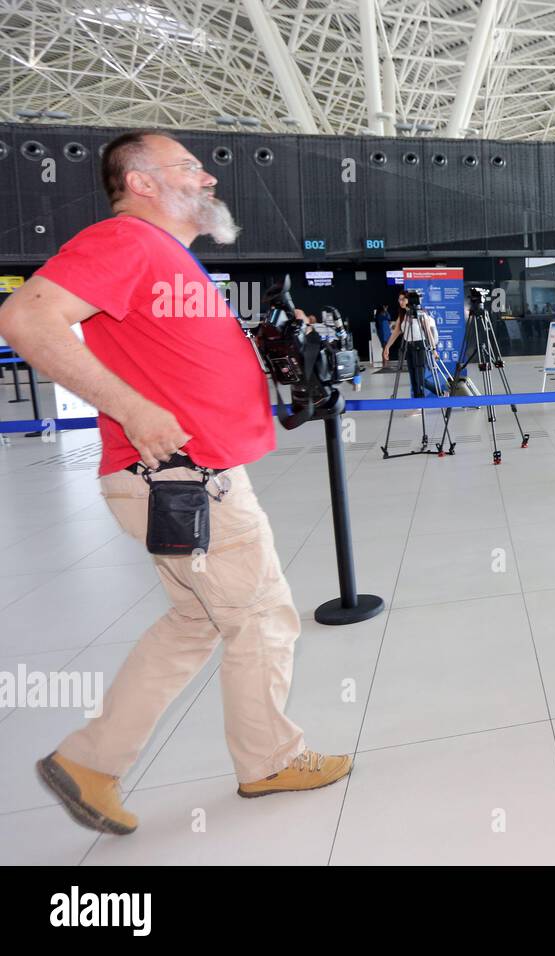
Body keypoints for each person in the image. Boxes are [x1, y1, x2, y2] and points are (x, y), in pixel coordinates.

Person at [0, 130, 351, 836]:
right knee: (261, 614)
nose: (209, 179)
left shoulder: (167, 259)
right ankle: (270, 761)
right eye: (190, 168)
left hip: (186, 476)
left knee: (195, 622)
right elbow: (25, 317)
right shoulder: (125, 241)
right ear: (143, 184)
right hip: (184, 477)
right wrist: (132, 407)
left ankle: (89, 763)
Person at [384, 291, 429, 415]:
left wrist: (433, 349)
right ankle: (418, 404)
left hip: (420, 345)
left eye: (403, 299)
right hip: (408, 347)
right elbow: (396, 332)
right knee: (413, 377)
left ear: (409, 300)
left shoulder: (420, 313)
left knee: (420, 377)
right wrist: (387, 347)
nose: (401, 302)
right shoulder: (403, 314)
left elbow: (428, 331)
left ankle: (421, 405)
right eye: (399, 300)